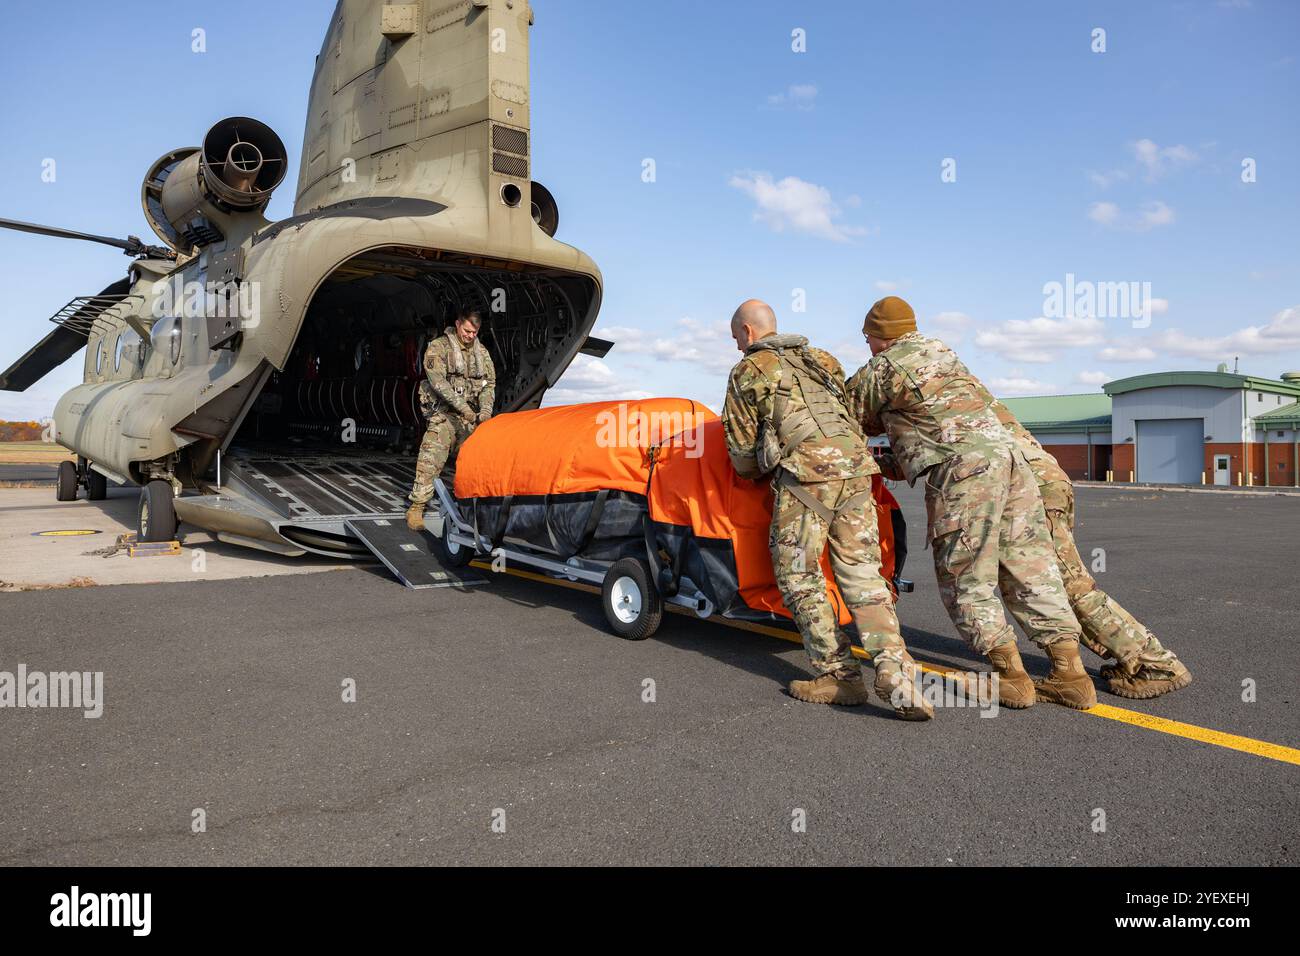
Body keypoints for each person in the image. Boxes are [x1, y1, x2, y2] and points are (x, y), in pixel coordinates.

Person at [846, 295, 1096, 710]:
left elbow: (848, 416)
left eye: (868, 338)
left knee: (966, 576)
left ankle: (1011, 678)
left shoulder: (884, 367)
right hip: (1012, 463)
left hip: (966, 474)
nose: (868, 346)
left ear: (878, 336)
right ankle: (1070, 674)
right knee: (1031, 567)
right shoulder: (944, 354)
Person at [721, 299, 931, 720]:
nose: (736, 347)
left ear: (746, 332)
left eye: (734, 339)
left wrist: (766, 462)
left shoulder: (748, 370)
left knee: (798, 572)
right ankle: (895, 670)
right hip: (857, 471)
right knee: (862, 573)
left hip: (807, 476)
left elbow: (742, 457)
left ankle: (839, 675)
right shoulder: (822, 359)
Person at [978, 393, 1192, 698]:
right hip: (1040, 479)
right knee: (1056, 584)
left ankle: (1155, 663)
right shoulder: (965, 385)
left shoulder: (914, 378)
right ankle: (1131, 658)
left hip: (1026, 487)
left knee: (1064, 586)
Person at [406, 310, 495, 532]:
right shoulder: (438, 347)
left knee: (475, 460)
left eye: (474, 332)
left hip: (469, 417)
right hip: (444, 414)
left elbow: (488, 384)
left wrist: (485, 410)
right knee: (432, 455)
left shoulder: (481, 353)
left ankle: (468, 505)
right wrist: (464, 408)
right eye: (466, 331)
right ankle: (417, 506)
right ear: (457, 325)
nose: (470, 336)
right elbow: (439, 384)